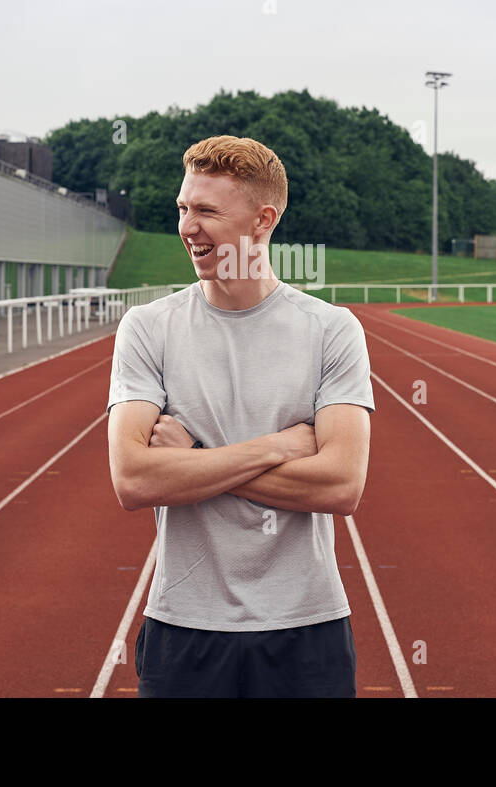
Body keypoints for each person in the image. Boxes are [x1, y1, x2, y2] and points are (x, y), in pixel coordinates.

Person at [106, 134, 374, 698]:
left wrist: (194, 464)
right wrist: (277, 448)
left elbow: (342, 485)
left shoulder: (330, 331)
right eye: (183, 208)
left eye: (206, 211)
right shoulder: (149, 328)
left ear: (262, 219)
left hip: (306, 629)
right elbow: (134, 479)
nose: (187, 227)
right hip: (184, 627)